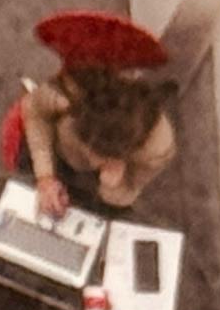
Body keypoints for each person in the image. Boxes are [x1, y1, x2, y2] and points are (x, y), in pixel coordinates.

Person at [19, 59, 179, 218]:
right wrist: (45, 175)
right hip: (56, 149)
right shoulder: (70, 90)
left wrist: (112, 185)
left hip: (94, 183)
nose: (91, 154)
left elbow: (130, 192)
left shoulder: (158, 150)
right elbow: (36, 112)